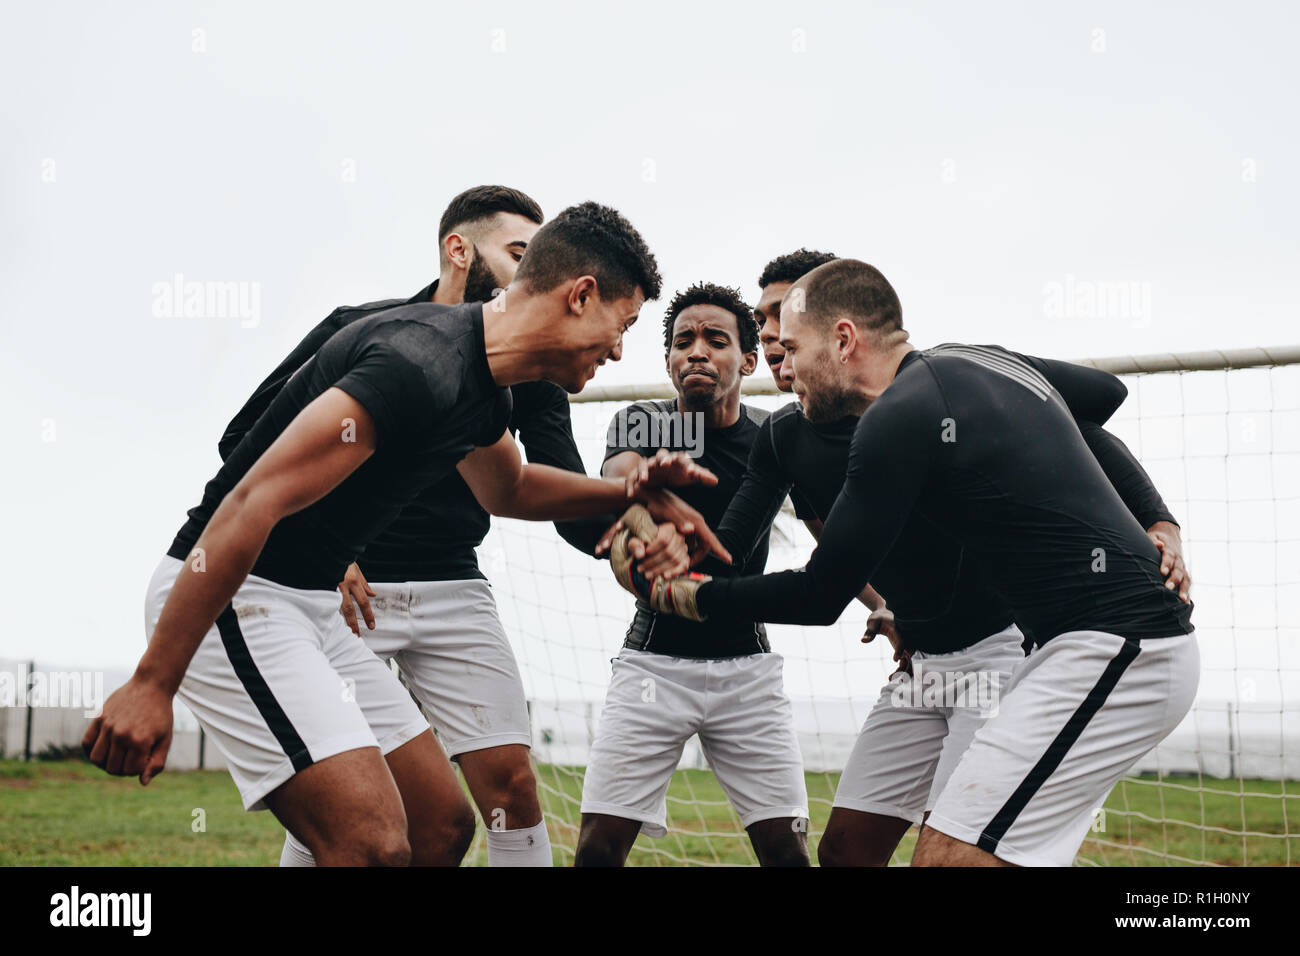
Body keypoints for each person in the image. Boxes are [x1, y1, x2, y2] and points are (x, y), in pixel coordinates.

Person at [85, 202, 723, 866]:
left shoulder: (485, 387)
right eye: (621, 326)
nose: (618, 349)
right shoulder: (415, 363)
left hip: (307, 608)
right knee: (369, 842)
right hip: (237, 597)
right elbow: (251, 500)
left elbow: (511, 489)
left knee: (441, 824)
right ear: (580, 295)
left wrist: (630, 491)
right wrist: (153, 682)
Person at [615, 258, 1197, 867]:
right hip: (975, 654)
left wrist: (686, 597)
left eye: (791, 342)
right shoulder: (962, 367)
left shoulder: (896, 418)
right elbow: (1096, 394)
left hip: (1109, 644)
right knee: (853, 852)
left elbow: (819, 594)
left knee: (948, 855)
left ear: (842, 339)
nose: (780, 357)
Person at [575, 282, 810, 867]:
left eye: (715, 339)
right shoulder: (643, 424)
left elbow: (828, 527)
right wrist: (642, 486)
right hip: (654, 664)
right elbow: (621, 473)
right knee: (599, 849)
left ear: (748, 360)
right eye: (683, 341)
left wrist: (882, 603)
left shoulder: (772, 437)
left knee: (785, 850)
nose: (697, 351)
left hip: (747, 672)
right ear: (669, 362)